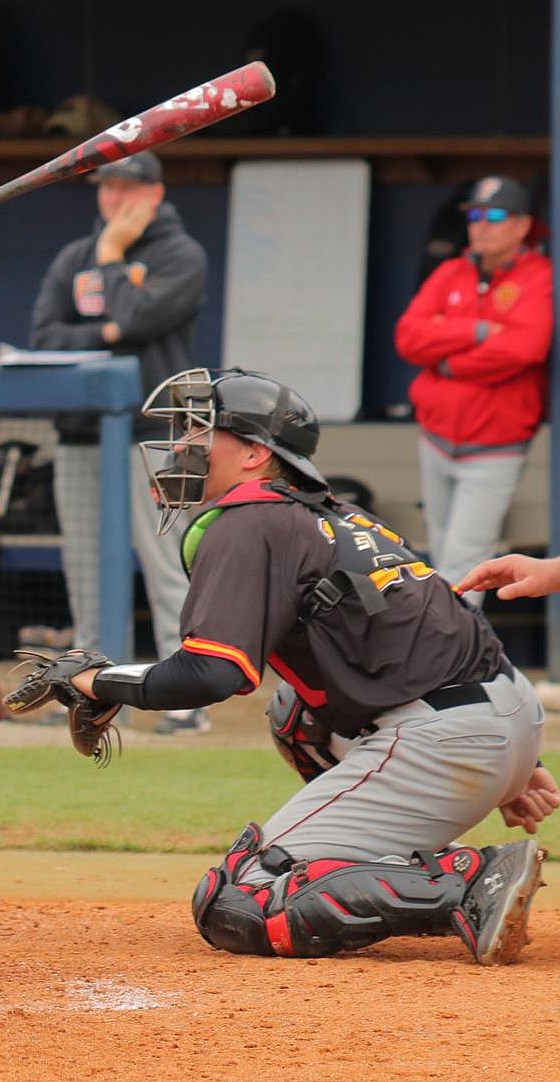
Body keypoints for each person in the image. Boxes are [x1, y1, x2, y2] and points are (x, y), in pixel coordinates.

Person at [59, 367, 549, 965]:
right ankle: (378, 848)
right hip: (496, 717)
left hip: (453, 736)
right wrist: (510, 758)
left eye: (200, 431)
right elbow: (424, 627)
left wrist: (97, 680)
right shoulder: (333, 514)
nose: (184, 446)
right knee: (294, 711)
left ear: (254, 454)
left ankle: (464, 884)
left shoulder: (251, 521)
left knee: (240, 901)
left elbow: (213, 675)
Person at [29, 151, 209, 734]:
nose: (114, 198)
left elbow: (136, 321)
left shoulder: (179, 254)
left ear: (154, 193)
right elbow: (45, 336)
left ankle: (187, 698)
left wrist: (112, 262)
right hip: (82, 433)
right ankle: (89, 690)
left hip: (157, 436)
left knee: (167, 567)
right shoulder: (70, 257)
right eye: (107, 186)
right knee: (84, 562)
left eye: (127, 187)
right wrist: (107, 327)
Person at [395, 175, 553, 601]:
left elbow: (524, 348)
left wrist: (447, 357)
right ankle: (457, 661)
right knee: (444, 550)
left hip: (495, 444)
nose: (481, 224)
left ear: (522, 226)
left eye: (495, 215)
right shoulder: (450, 272)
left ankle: (453, 661)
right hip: (436, 437)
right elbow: (408, 337)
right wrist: (481, 329)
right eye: (475, 215)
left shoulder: (539, 276)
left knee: (465, 563)